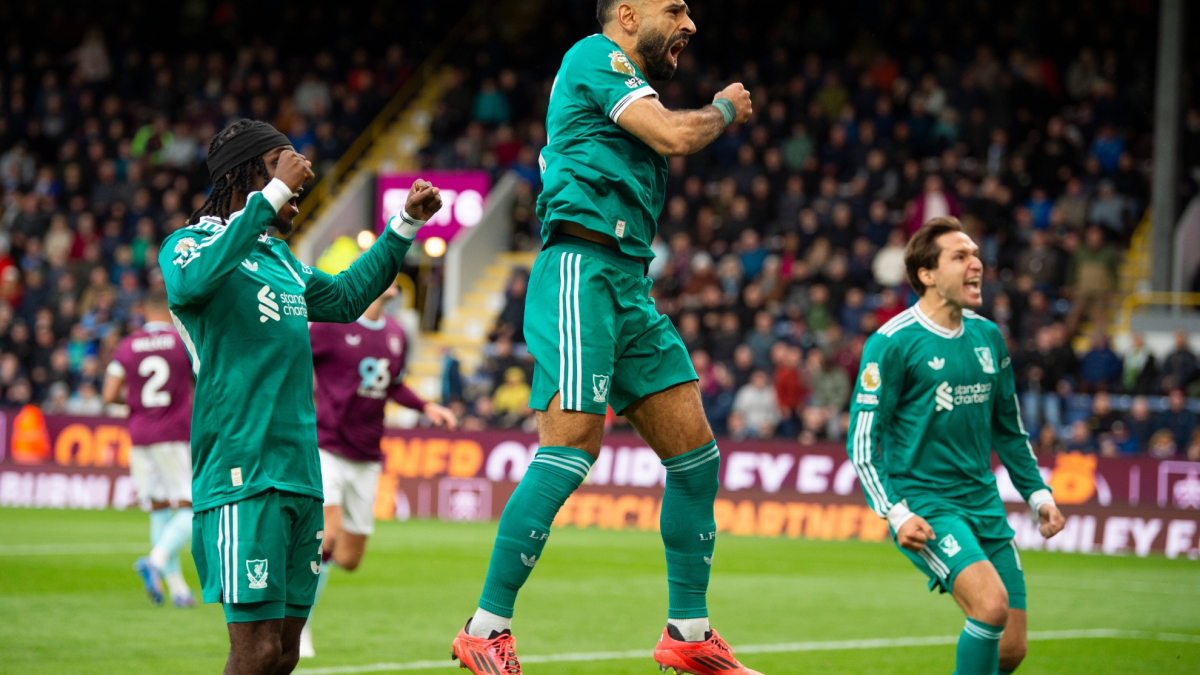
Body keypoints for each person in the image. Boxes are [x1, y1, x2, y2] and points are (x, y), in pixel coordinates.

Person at [450, 2, 760, 674]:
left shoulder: (629, 78)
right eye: (674, 8)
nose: (691, 23)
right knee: (572, 446)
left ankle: (689, 632)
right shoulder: (595, 55)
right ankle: (485, 627)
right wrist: (726, 109)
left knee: (696, 456)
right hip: (581, 269)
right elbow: (675, 135)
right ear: (627, 14)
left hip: (628, 283)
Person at [159, 118, 442, 675]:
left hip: (301, 473)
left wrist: (404, 225)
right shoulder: (188, 245)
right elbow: (190, 287)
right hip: (243, 471)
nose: (298, 187)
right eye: (282, 167)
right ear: (250, 176)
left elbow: (343, 298)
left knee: (286, 651)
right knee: (255, 649)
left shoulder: (280, 259)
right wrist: (274, 194)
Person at [847, 217, 1065, 675]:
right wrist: (896, 511)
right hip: (928, 505)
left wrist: (1038, 495)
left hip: (984, 503)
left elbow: (1008, 430)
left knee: (1011, 649)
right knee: (989, 607)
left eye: (976, 254)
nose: (977, 264)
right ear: (926, 274)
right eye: (960, 256)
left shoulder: (988, 337)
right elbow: (864, 443)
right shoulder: (892, 343)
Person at [300, 283, 458, 658]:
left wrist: (426, 407)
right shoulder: (331, 325)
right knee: (328, 535)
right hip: (327, 446)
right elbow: (296, 357)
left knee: (349, 558)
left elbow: (394, 385)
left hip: (367, 454)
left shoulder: (395, 332)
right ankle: (298, 623)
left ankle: (295, 564)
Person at [101, 289, 196, 607]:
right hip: (173, 435)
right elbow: (203, 378)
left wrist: (134, 402)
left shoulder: (128, 346)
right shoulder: (181, 341)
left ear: (143, 311)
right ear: (169, 310)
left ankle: (178, 588)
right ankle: (155, 562)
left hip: (140, 436)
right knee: (190, 507)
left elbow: (108, 394)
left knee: (158, 508)